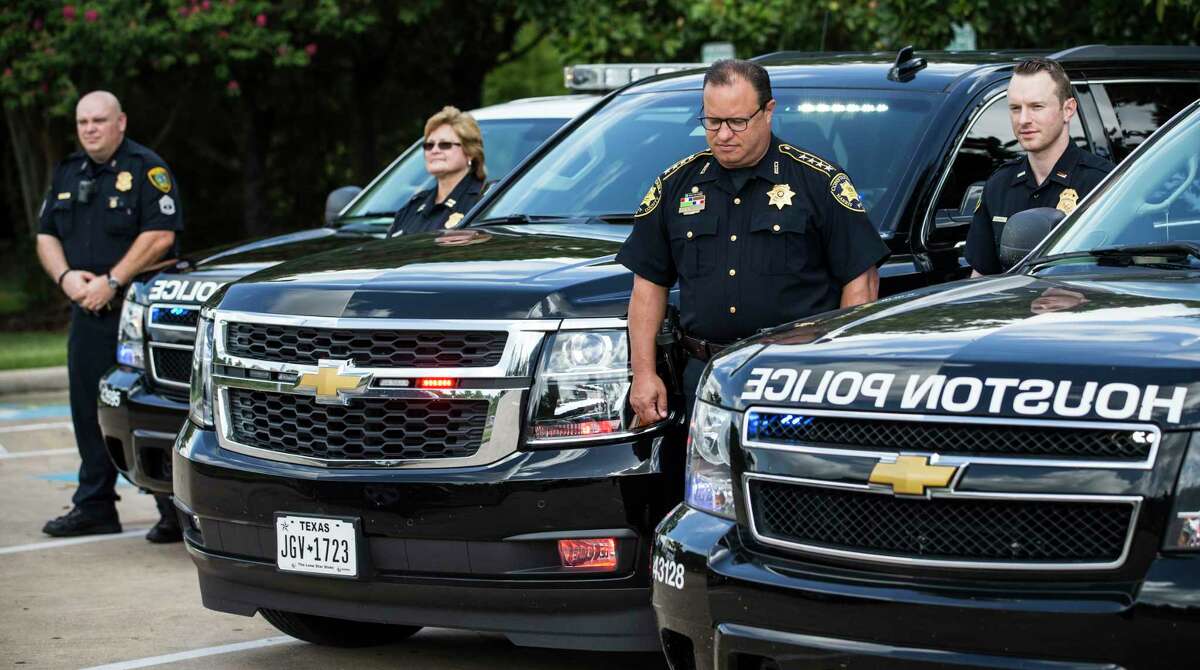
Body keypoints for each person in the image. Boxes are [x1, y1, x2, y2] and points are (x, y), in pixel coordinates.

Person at [617, 59, 890, 425]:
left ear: (768, 112)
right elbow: (648, 286)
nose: (723, 135)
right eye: (712, 122)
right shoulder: (676, 185)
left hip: (794, 375)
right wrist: (644, 374)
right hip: (704, 374)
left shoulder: (818, 183)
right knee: (705, 479)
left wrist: (835, 370)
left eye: (737, 122)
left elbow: (861, 282)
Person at [36, 91, 183, 542]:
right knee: (86, 408)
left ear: (120, 121)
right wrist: (66, 280)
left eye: (99, 120)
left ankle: (173, 508)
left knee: (146, 404)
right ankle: (95, 504)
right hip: (86, 309)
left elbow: (160, 236)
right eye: (83, 122)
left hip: (134, 309)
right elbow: (46, 235)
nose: (90, 129)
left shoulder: (146, 169)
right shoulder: (68, 171)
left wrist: (112, 281)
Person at [966, 58, 1114, 276]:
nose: (1024, 119)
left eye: (1037, 107)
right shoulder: (1000, 185)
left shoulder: (1103, 184)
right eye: (1015, 108)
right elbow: (980, 276)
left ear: (1068, 109)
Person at [388, 106, 487, 237]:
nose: (434, 150)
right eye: (429, 145)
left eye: (445, 144)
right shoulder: (413, 207)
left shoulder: (485, 201)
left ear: (470, 152)